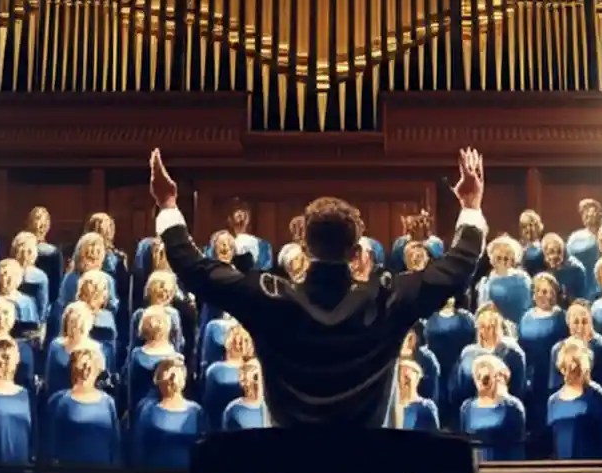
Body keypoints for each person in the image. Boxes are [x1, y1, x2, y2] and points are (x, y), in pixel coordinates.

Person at [148, 146, 487, 427]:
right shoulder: (386, 299)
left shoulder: (269, 298)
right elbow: (457, 267)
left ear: (306, 248)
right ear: (356, 253)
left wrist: (167, 206)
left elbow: (194, 269)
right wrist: (470, 207)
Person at [43, 346, 123, 466]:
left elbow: (115, 443)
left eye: (90, 367)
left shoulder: (108, 402)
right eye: (82, 366)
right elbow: (48, 443)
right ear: (72, 369)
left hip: (102, 472)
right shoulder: (58, 400)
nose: (86, 371)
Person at [131, 356, 207, 469]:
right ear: (158, 381)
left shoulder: (196, 411)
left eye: (175, 374)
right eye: (166, 375)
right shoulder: (148, 410)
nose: (171, 380)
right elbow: (139, 448)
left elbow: (204, 450)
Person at [546, 338, 602, 459]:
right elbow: (554, 441)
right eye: (567, 366)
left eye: (577, 365)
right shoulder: (553, 401)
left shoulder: (599, 397)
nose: (572, 369)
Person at [460, 354, 526, 460]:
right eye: (478, 377)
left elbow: (517, 447)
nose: (482, 381)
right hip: (476, 468)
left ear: (497, 377)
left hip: (502, 467)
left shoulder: (512, 407)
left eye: (486, 377)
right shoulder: (467, 408)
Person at [223, 358, 269, 430]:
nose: (256, 382)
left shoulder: (276, 409)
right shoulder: (234, 410)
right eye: (254, 377)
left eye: (257, 377)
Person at [394, 359, 440, 431]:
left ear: (418, 378)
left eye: (408, 378)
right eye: (402, 374)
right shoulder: (392, 408)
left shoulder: (427, 407)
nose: (406, 379)